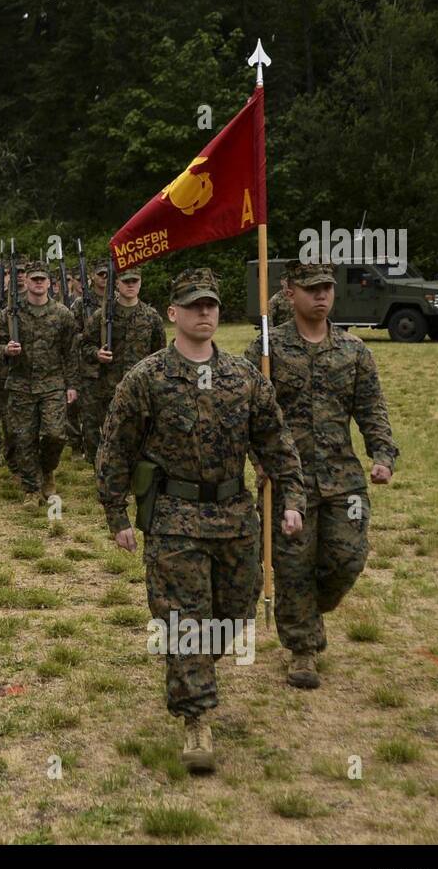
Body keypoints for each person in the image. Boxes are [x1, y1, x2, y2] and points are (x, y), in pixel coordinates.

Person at [96, 267, 305, 773]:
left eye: (210, 304)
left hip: (236, 518)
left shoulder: (244, 376)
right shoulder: (146, 378)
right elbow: (116, 449)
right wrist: (116, 512)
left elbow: (276, 443)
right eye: (193, 305)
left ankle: (194, 673)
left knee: (234, 616)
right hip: (174, 519)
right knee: (183, 620)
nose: (204, 312)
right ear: (174, 314)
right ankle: (196, 718)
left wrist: (292, 499)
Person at [244, 260, 398, 689]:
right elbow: (248, 414)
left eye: (327, 288)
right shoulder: (266, 349)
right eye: (312, 289)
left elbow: (371, 408)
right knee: (292, 567)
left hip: (342, 479)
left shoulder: (353, 351)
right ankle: (303, 650)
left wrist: (382, 453)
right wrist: (260, 462)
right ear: (290, 293)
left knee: (347, 558)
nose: (322, 296)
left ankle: (311, 609)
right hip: (287, 480)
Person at [0, 260, 80, 504]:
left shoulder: (62, 314)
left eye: (43, 279)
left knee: (55, 434)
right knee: (24, 437)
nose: (39, 283)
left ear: (50, 283)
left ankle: (47, 470)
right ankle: (31, 488)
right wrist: (6, 349)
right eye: (34, 279)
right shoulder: (12, 313)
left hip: (52, 384)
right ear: (27, 282)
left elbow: (71, 352)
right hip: (21, 384)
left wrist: (72, 385)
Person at [79, 264, 166, 463]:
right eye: (126, 281)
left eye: (134, 281)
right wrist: (97, 353)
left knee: (135, 439)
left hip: (139, 390)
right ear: (117, 283)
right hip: (106, 388)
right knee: (104, 437)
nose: (130, 285)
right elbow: (84, 345)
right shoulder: (102, 316)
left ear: (140, 283)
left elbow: (159, 355)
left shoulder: (151, 317)